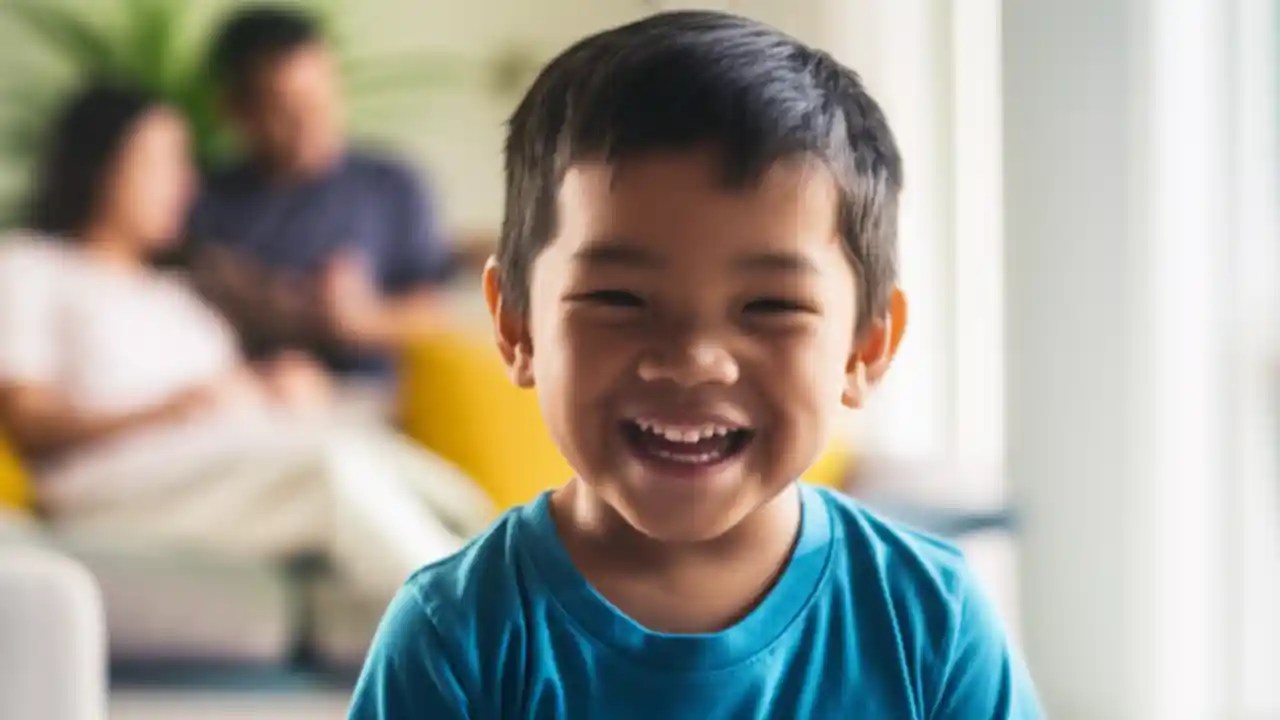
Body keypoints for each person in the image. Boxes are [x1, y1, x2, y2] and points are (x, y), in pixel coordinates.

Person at [349, 10, 1042, 720]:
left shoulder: (932, 627)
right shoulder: (455, 635)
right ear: (517, 323)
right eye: (618, 297)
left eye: (770, 306)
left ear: (865, 346)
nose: (691, 362)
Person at [0, 85, 492, 605]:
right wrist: (167, 410)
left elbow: (225, 394)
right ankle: (483, 645)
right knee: (332, 468)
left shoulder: (175, 295)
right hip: (117, 486)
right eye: (165, 162)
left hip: (230, 460)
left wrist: (273, 386)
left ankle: (524, 597)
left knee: (407, 470)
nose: (187, 185)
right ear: (101, 166)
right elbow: (29, 420)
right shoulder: (29, 266)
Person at [186, 5, 454, 377]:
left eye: (323, 98)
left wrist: (361, 318)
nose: (314, 122)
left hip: (369, 403)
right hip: (247, 401)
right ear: (236, 109)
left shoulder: (391, 185)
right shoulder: (201, 199)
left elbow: (434, 314)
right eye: (286, 109)